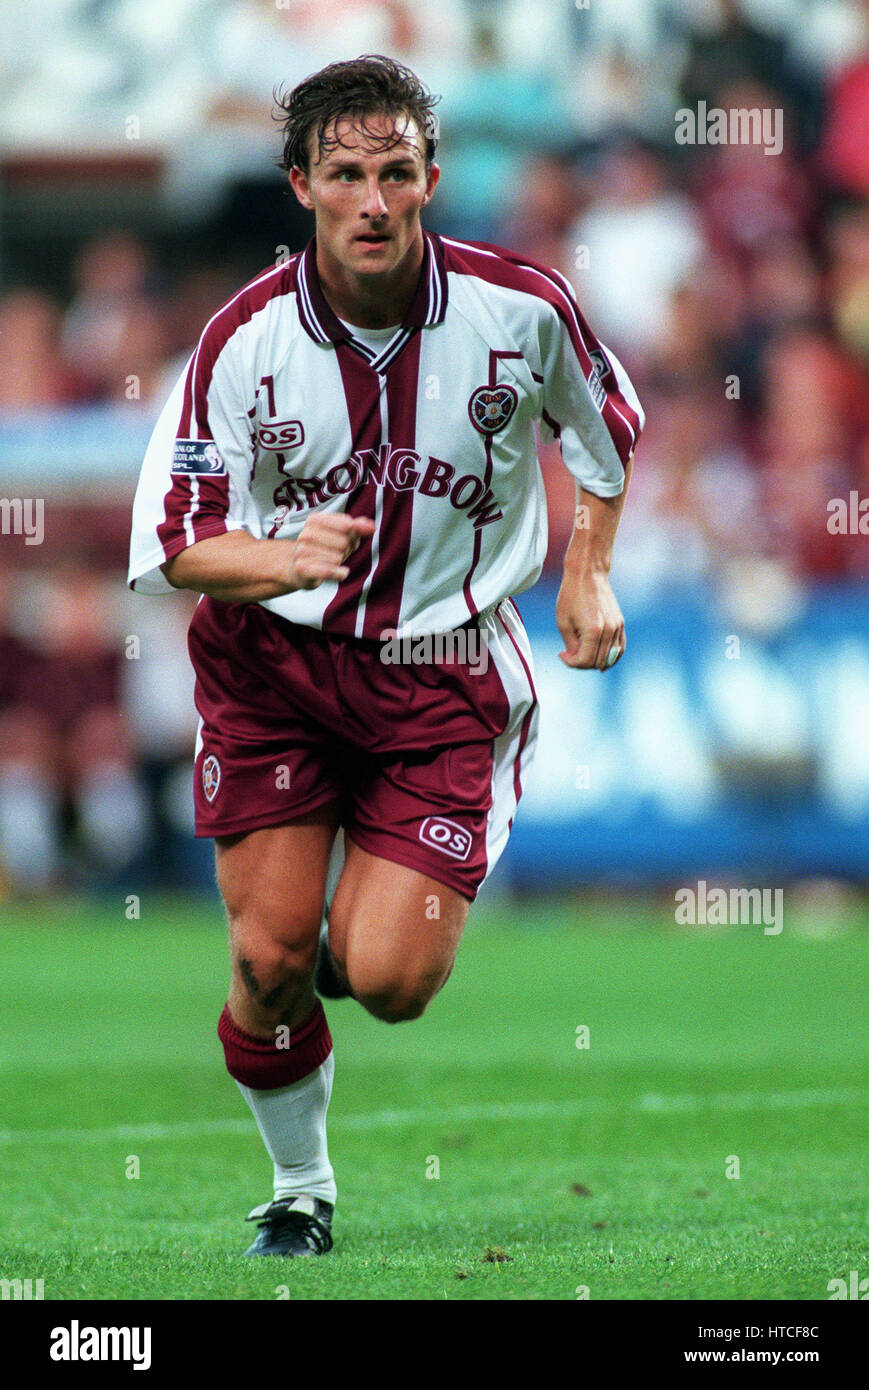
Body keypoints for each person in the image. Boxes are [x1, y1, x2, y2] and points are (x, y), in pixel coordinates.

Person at [127, 54, 643, 1258]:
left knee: (392, 980)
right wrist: (281, 558)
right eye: (346, 175)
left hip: (444, 671)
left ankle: (337, 928)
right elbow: (178, 544)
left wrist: (587, 567)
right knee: (264, 961)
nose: (372, 200)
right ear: (301, 184)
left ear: (430, 180)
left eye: (395, 173)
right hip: (277, 670)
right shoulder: (238, 344)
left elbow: (606, 426)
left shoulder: (522, 308)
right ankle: (300, 1189)